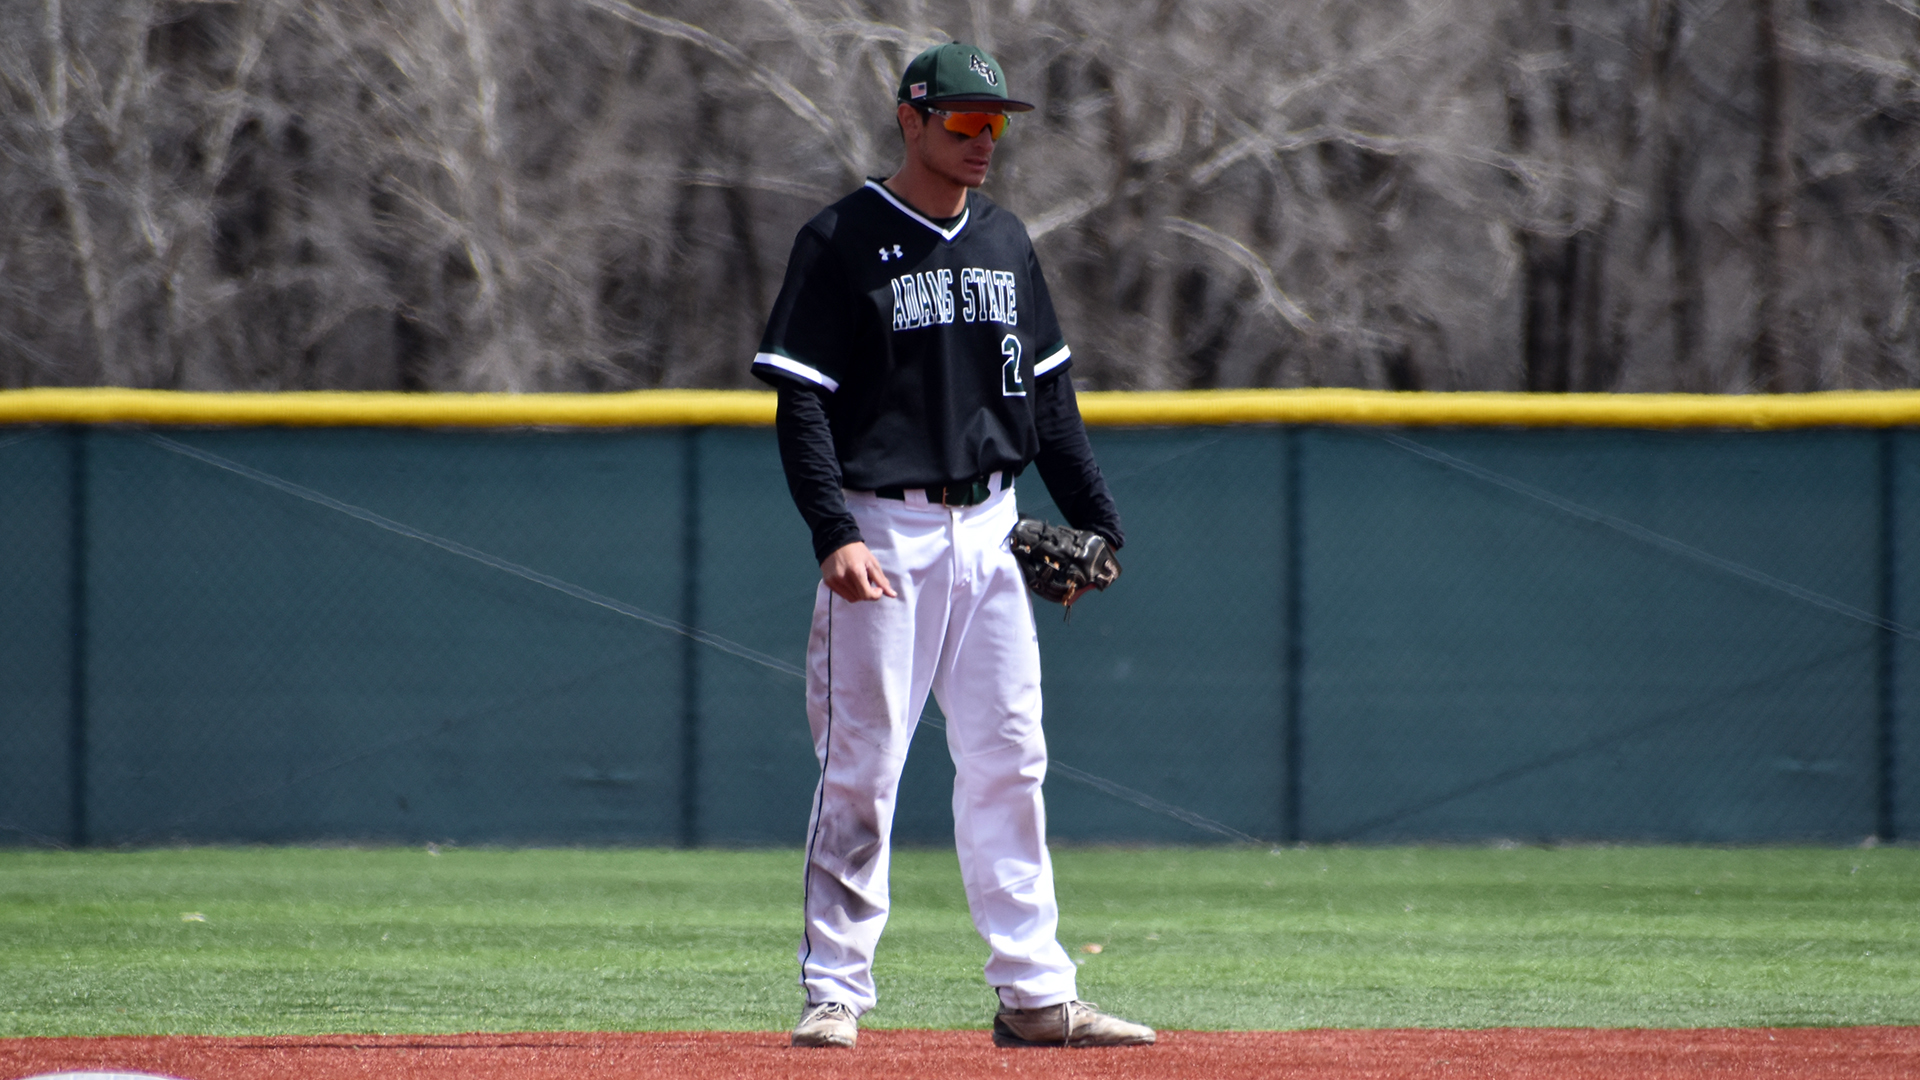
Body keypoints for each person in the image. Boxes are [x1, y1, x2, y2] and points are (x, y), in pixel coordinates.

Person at [750, 42, 1153, 1051]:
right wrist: (833, 533)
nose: (983, 142)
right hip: (883, 526)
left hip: (994, 528)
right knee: (863, 764)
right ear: (911, 120)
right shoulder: (839, 240)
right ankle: (835, 989)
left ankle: (1034, 993)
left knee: (1010, 758)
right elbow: (801, 403)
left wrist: (1099, 521)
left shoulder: (1009, 242)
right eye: (963, 123)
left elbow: (1049, 399)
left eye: (997, 125)